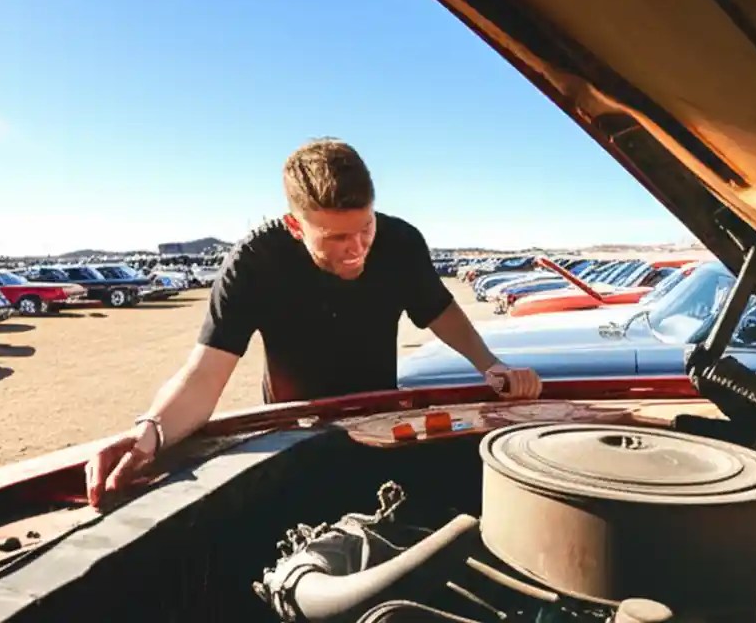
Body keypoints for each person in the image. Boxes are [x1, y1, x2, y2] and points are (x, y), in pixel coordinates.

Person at [86, 138, 542, 506]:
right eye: (336, 237)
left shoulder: (401, 242)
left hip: (381, 426)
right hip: (294, 436)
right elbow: (205, 375)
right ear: (294, 225)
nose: (357, 248)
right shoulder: (254, 262)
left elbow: (440, 311)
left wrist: (489, 364)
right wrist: (150, 432)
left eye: (365, 227)